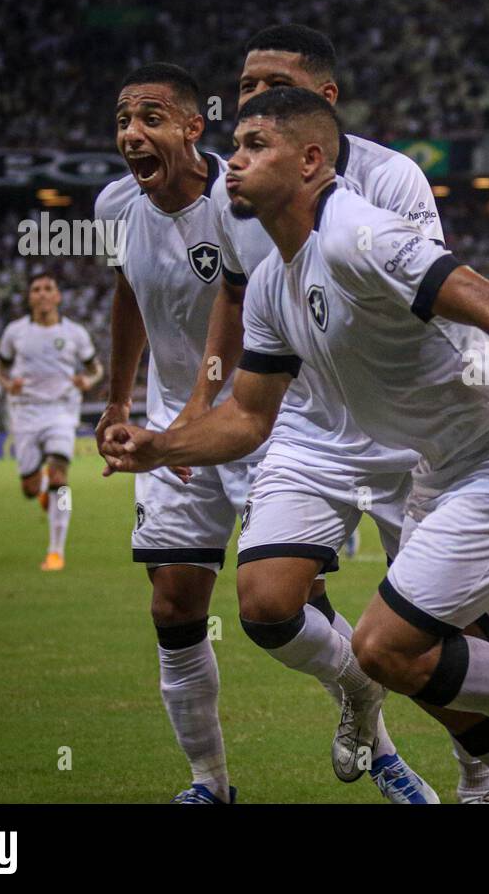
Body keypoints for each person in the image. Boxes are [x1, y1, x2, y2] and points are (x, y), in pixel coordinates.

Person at [101, 86, 489, 803]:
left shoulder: (360, 234)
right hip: (441, 471)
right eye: (233, 146)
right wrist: (160, 445)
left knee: (384, 646)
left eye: (254, 146)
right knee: (426, 672)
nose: (232, 163)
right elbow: (247, 419)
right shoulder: (271, 283)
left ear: (310, 161)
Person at [94, 62, 429, 804]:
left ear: (191, 126)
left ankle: (376, 735)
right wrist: (119, 400)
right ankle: (210, 783)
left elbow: (240, 306)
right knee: (174, 605)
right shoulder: (115, 203)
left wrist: (195, 410)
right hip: (168, 425)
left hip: (257, 418)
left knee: (288, 598)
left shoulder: (239, 197)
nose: (131, 134)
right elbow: (127, 293)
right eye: (122, 120)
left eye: (150, 117)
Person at [177, 25, 471, 802]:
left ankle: (479, 780)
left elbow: (432, 301)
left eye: (272, 81)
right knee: (269, 603)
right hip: (309, 421)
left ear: (325, 102)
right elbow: (237, 296)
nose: (250, 97)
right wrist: (198, 406)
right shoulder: (230, 187)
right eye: (242, 85)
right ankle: (360, 696)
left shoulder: (394, 179)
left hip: (408, 427)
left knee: (448, 635)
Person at [0, 272, 102, 571]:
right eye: (36, 289)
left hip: (61, 412)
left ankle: (56, 551)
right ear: (30, 298)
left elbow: (96, 368)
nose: (42, 294)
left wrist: (86, 380)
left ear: (58, 297)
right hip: (25, 412)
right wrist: (7, 384)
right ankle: (39, 485)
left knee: (60, 478)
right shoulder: (15, 332)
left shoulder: (75, 333)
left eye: (48, 289)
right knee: (30, 490)